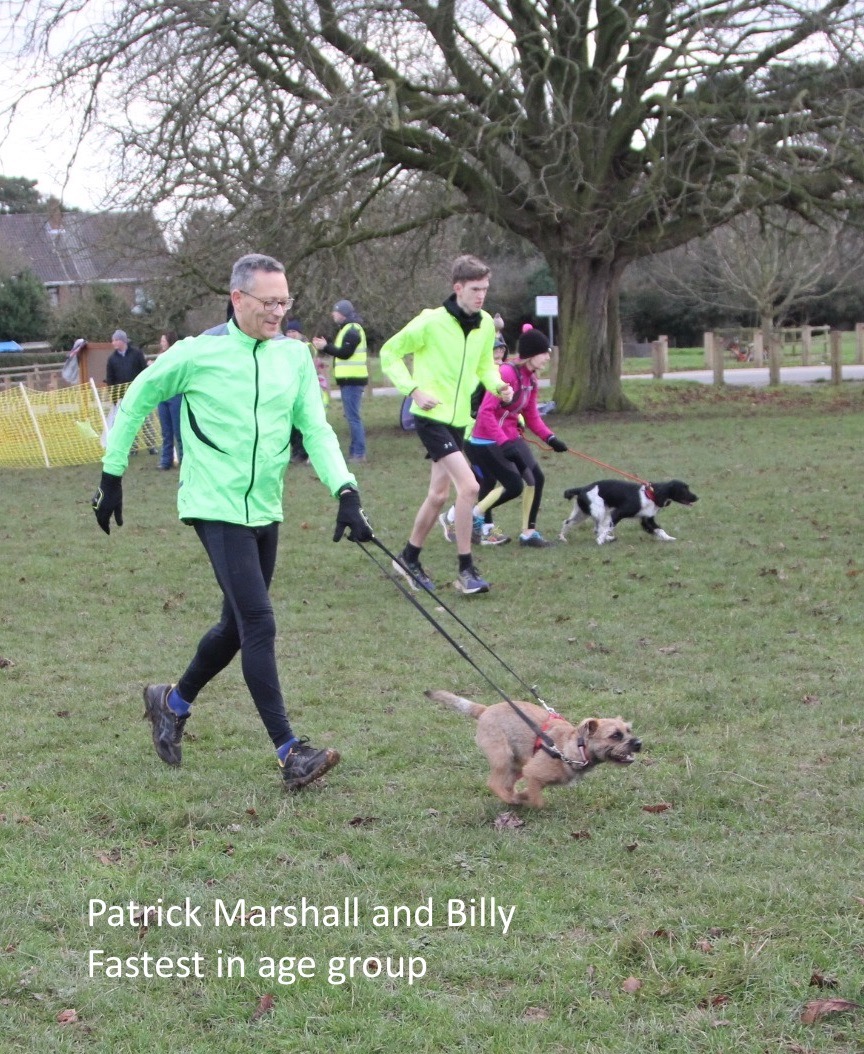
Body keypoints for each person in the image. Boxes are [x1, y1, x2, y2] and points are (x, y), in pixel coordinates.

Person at [91, 253, 374, 791]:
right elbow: (134, 403)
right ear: (238, 298)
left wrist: (346, 491)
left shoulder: (291, 358)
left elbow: (314, 429)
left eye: (284, 302)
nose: (278, 312)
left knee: (234, 627)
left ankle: (170, 702)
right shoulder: (198, 354)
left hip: (265, 506)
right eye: (269, 302)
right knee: (260, 623)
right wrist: (112, 473)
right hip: (214, 505)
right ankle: (290, 752)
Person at [380, 254, 513, 595]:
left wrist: (498, 384)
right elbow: (389, 353)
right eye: (474, 289)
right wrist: (413, 391)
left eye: (484, 288)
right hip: (430, 419)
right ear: (458, 288)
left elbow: (485, 366)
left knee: (438, 495)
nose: (481, 295)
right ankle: (466, 570)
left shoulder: (484, 324)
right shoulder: (430, 322)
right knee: (469, 488)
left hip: (457, 422)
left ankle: (409, 556)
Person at [470, 326, 568, 547]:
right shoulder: (506, 374)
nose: (547, 358)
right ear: (532, 354)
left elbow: (531, 415)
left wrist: (550, 438)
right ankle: (474, 514)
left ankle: (528, 533)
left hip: (511, 436)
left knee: (536, 479)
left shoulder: (531, 380)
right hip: (486, 439)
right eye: (545, 353)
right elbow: (486, 412)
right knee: (514, 486)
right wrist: (503, 443)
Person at [312, 299, 368, 462]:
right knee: (351, 416)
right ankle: (355, 451)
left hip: (353, 379)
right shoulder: (348, 329)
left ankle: (358, 453)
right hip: (349, 379)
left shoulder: (352, 330)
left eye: (335, 311)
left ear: (342, 313)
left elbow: (345, 353)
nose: (333, 314)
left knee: (353, 417)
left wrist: (325, 347)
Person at [156, 331, 183, 470]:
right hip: (163, 397)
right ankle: (166, 460)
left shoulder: (178, 356)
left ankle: (185, 459)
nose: (161, 343)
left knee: (179, 431)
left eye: (163, 340)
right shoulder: (161, 357)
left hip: (176, 396)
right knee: (166, 432)